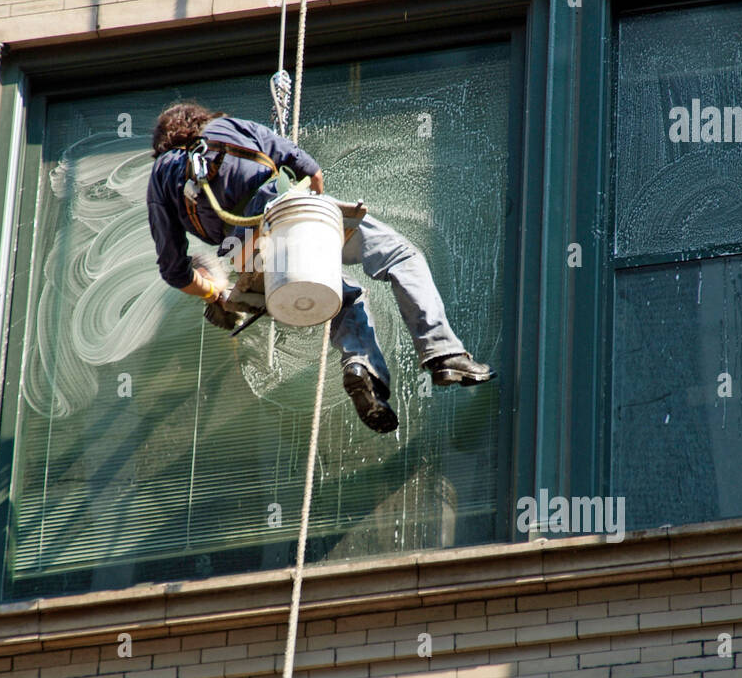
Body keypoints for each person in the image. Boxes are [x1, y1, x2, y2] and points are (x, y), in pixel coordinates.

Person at [145, 100, 492, 433]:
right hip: (289, 215)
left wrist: (213, 292)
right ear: (199, 122)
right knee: (399, 257)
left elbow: (174, 271)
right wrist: (316, 216)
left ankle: (361, 366)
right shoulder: (229, 127)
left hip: (247, 251)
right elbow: (310, 171)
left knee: (341, 296)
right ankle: (443, 354)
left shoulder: (162, 174)